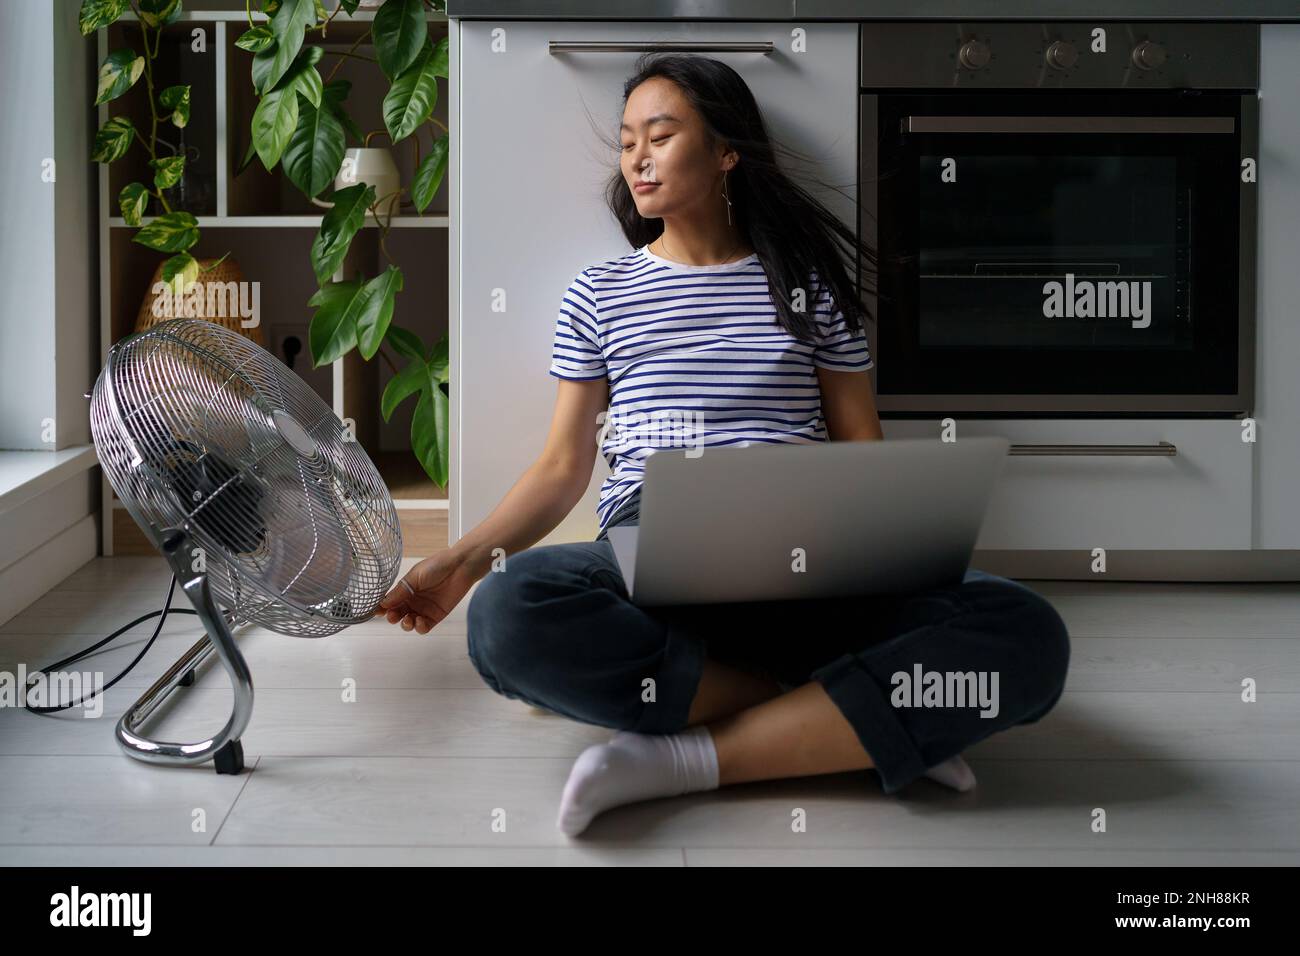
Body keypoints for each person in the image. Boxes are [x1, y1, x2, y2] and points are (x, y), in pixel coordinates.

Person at [376, 54, 1070, 837]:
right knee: (508, 615)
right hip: (657, 549)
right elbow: (563, 466)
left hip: (815, 549)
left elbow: (861, 448)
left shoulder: (805, 282)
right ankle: (859, 723)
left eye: (661, 135)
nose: (637, 156)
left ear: (726, 151)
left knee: (1027, 633)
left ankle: (683, 758)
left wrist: (886, 544)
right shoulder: (600, 293)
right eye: (628, 139)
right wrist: (463, 562)